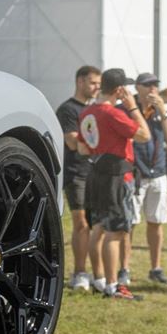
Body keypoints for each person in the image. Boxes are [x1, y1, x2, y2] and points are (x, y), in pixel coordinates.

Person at [80, 69, 148, 299]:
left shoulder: (87, 113)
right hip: (117, 177)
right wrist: (133, 108)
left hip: (96, 173)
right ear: (119, 90)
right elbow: (144, 135)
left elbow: (81, 147)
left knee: (98, 227)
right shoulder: (114, 114)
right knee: (116, 231)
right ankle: (112, 285)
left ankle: (99, 278)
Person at [130, 74, 167, 284]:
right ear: (138, 87)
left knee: (156, 222)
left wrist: (163, 112)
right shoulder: (129, 109)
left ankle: (156, 267)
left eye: (155, 85)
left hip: (158, 173)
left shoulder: (161, 111)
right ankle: (124, 267)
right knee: (129, 224)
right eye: (147, 85)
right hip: (136, 173)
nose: (152, 89)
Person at [59, 65, 101, 290]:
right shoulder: (67, 110)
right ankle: (79, 272)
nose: (96, 88)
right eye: (93, 83)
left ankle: (99, 273)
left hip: (97, 173)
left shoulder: (97, 109)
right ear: (80, 81)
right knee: (81, 224)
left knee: (97, 226)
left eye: (99, 84)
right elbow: (73, 142)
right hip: (76, 173)